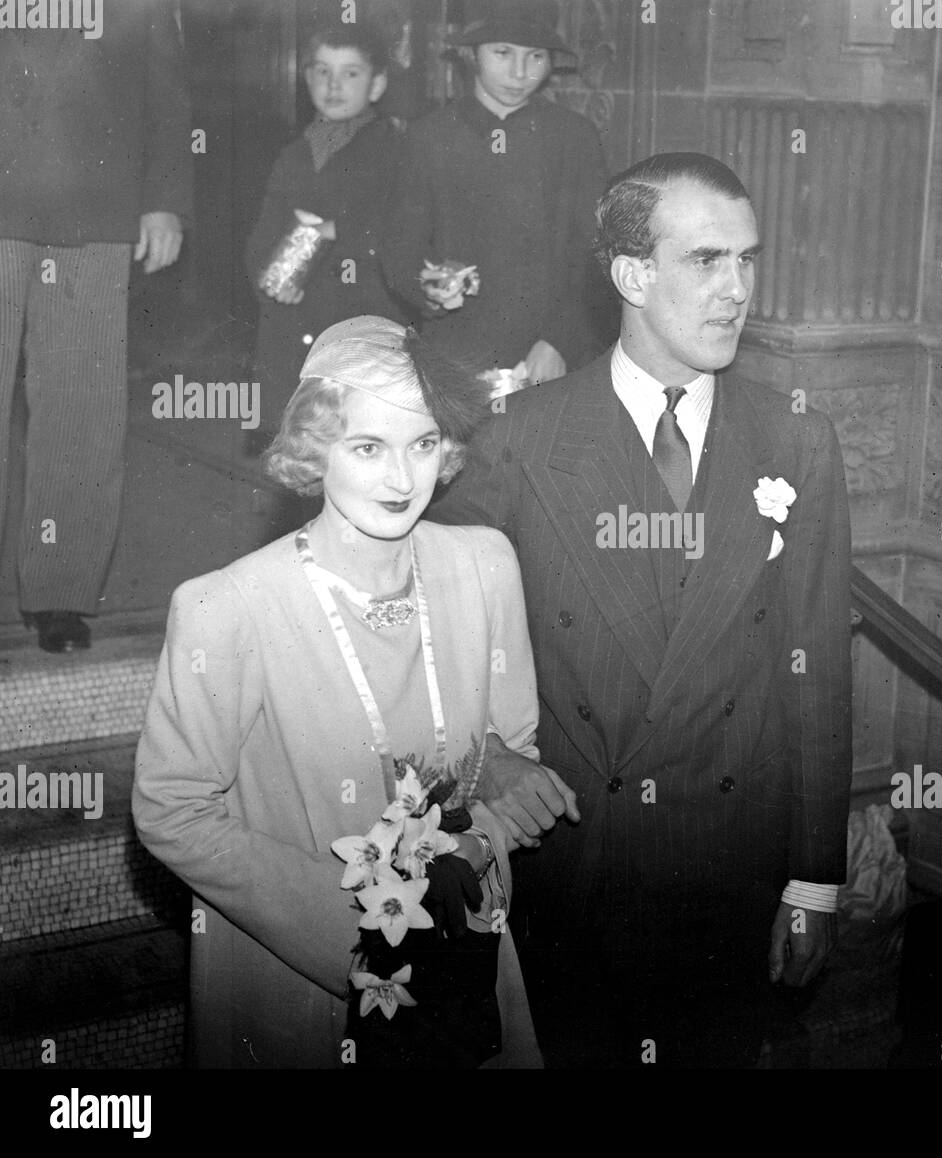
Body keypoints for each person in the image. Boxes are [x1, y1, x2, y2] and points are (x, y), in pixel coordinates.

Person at [428, 152, 854, 1067]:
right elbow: (435, 643)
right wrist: (480, 758)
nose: (737, 288)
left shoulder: (797, 439)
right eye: (707, 261)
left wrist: (815, 881)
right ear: (630, 274)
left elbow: (817, 671)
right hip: (577, 869)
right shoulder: (520, 441)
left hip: (731, 873)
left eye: (748, 260)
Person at [133, 317, 541, 1068]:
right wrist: (359, 927)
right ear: (317, 448)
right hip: (303, 974)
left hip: (463, 957)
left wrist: (470, 873)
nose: (402, 478)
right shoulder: (227, 607)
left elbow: (507, 756)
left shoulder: (485, 567)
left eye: (423, 445)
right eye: (368, 447)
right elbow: (171, 809)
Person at [0, 2, 193, 652]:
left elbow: (165, 88)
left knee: (80, 404)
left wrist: (165, 199)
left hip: (94, 205)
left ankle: (60, 591)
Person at [383, 0, 611, 385]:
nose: (520, 73)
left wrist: (560, 341)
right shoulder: (428, 138)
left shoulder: (574, 137)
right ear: (472, 54)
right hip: (457, 353)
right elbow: (399, 250)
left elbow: (596, 253)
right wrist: (429, 288)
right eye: (502, 53)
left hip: (551, 355)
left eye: (536, 56)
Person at [244, 19, 411, 451]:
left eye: (350, 73)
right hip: (294, 323)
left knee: (356, 439)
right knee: (303, 450)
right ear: (306, 80)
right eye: (322, 71)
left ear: (376, 86)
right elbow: (264, 233)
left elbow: (398, 227)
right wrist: (270, 277)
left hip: (356, 317)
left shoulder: (393, 150)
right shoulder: (293, 153)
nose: (334, 85)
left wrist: (335, 230)